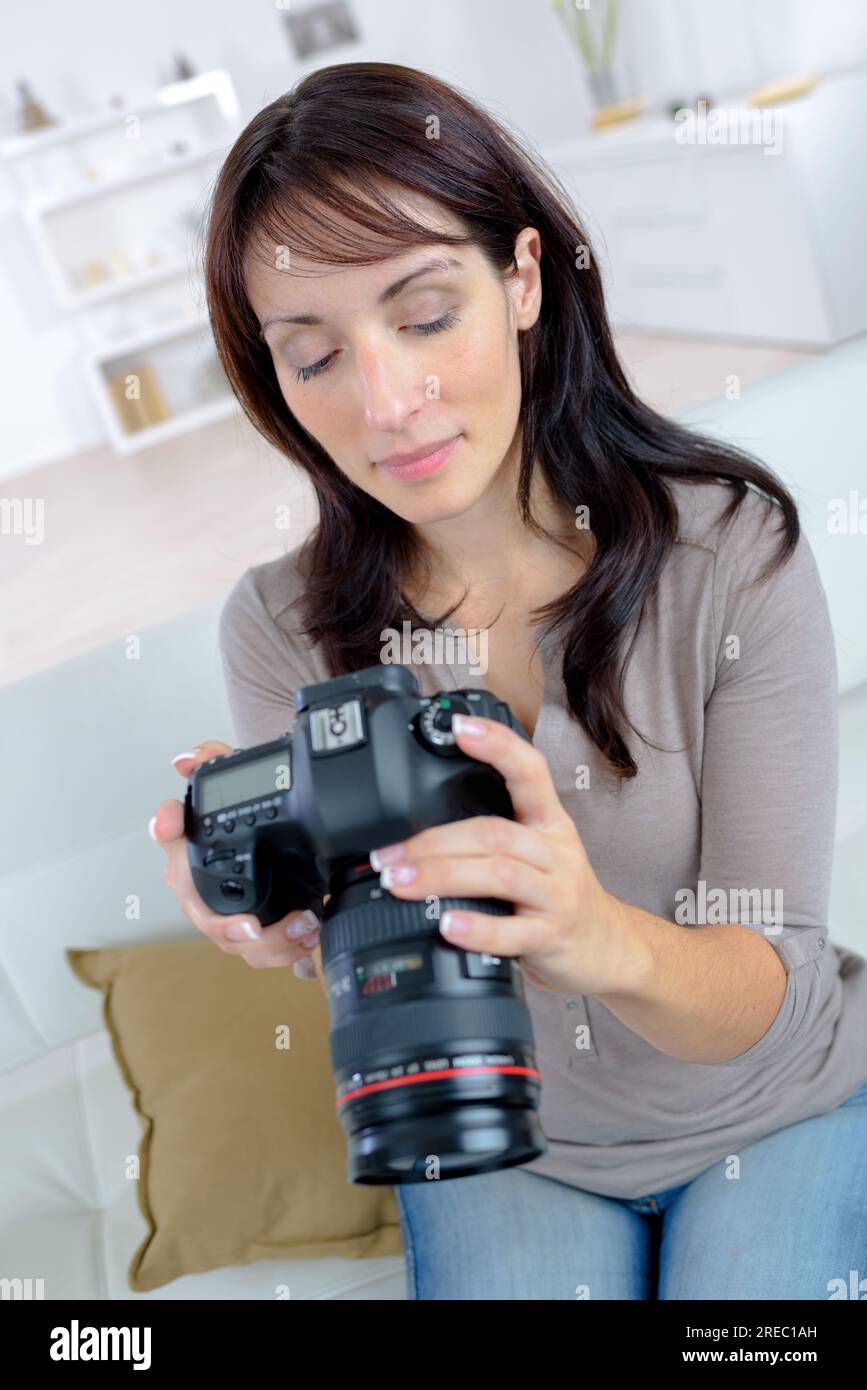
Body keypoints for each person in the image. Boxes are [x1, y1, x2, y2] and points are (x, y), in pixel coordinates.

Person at [149, 62, 867, 1300]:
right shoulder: (280, 630)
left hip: (770, 1103)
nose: (386, 403)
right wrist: (263, 900)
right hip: (491, 1133)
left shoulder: (733, 555)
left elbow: (769, 994)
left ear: (523, 278)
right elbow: (366, 953)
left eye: (424, 315)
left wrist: (596, 934)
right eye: (313, 356)